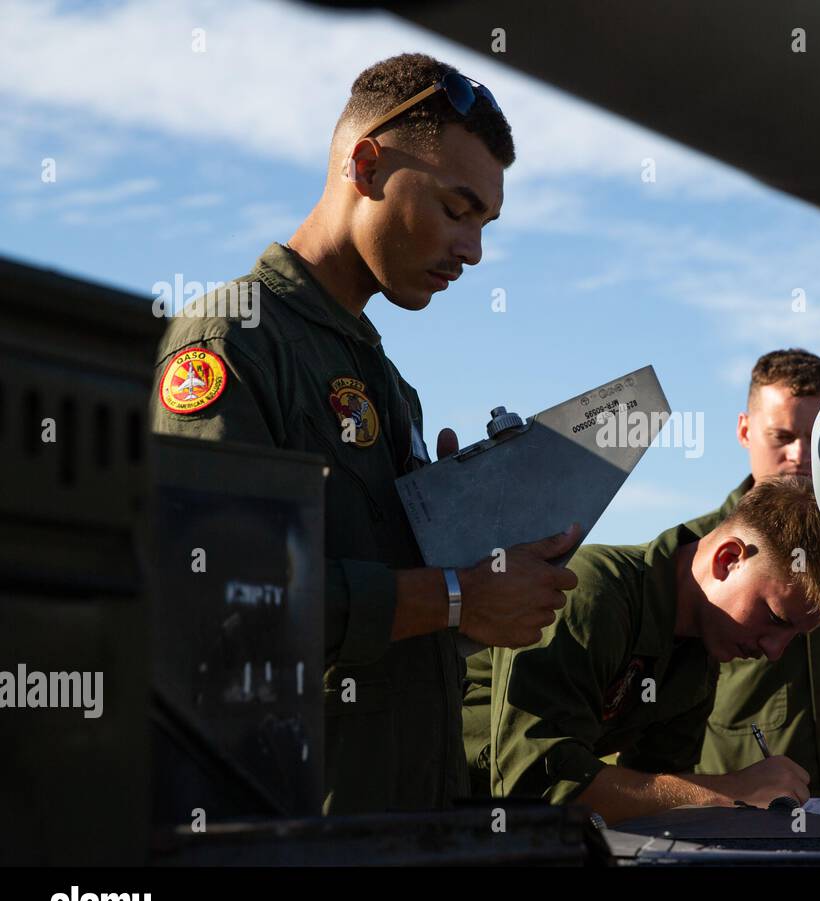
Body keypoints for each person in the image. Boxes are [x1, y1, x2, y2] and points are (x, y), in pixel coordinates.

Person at [151, 53, 579, 814]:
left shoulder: (388, 382)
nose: (474, 251)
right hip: (291, 829)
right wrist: (454, 596)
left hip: (407, 816)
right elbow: (213, 600)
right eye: (457, 209)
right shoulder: (232, 341)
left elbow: (388, 618)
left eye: (484, 223)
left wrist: (469, 558)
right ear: (367, 164)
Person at [462, 476, 820, 825]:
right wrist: (729, 789)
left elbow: (654, 791)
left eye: (794, 636)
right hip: (435, 823)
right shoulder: (592, 595)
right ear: (728, 560)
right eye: (776, 619)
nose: (775, 651)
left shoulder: (699, 653)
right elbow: (536, 789)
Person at [686, 348, 820, 796]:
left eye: (817, 437)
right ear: (746, 431)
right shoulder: (689, 562)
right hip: (744, 832)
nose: (799, 455)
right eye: (782, 436)